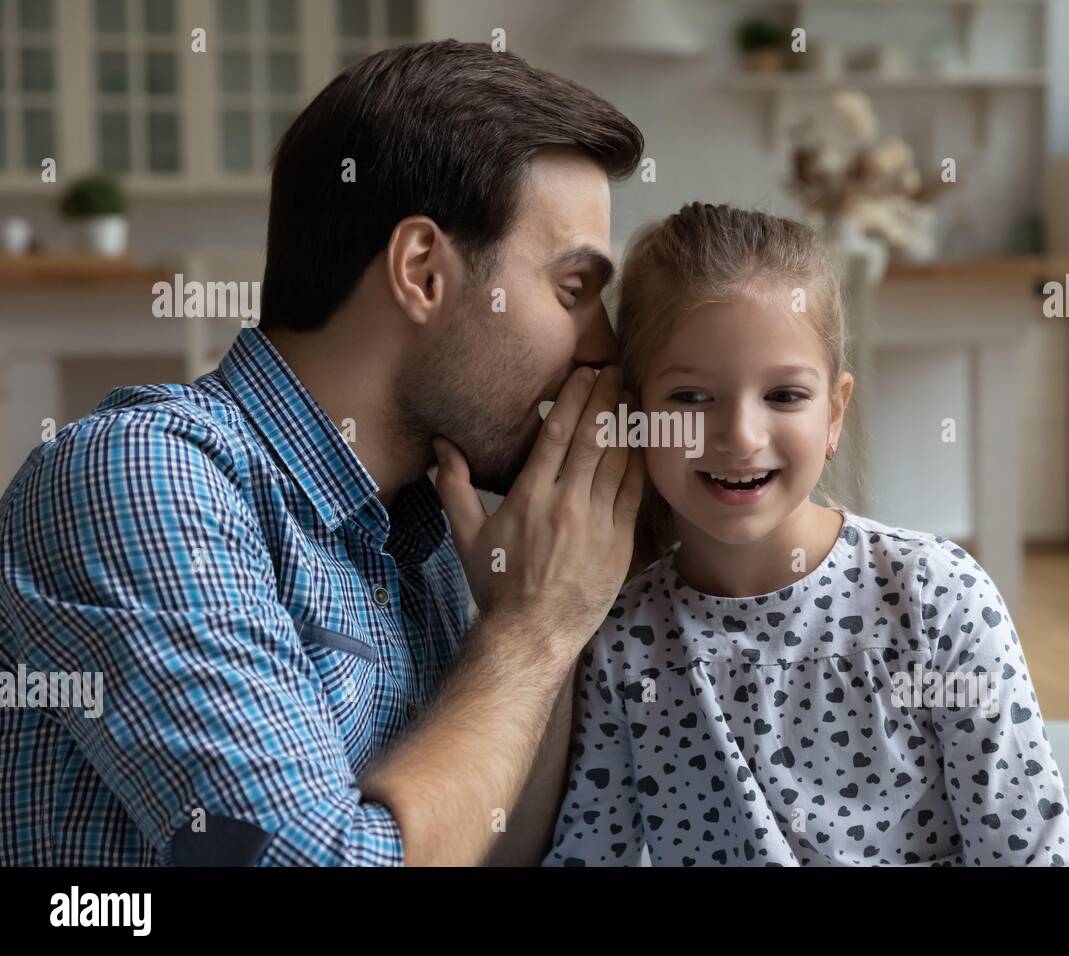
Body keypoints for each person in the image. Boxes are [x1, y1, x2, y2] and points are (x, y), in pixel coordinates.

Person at [0, 40, 645, 866]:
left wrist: (545, 618)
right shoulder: (145, 476)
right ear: (422, 271)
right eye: (573, 291)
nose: (603, 346)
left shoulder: (435, 535)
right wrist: (530, 634)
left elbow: (501, 851)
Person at [547, 203, 1069, 866]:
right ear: (636, 416)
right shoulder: (620, 642)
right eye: (691, 397)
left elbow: (1033, 855)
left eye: (783, 396)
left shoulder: (936, 599)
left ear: (835, 414)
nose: (741, 436)